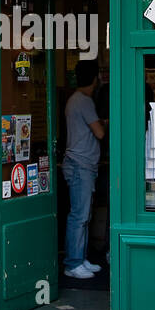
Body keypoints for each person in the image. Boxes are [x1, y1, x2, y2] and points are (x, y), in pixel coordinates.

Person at [61, 60, 106, 279]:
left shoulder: (75, 100)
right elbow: (99, 133)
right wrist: (104, 122)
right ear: (95, 78)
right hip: (81, 166)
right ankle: (73, 263)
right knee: (80, 215)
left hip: (80, 165)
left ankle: (80, 259)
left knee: (83, 214)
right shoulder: (84, 102)